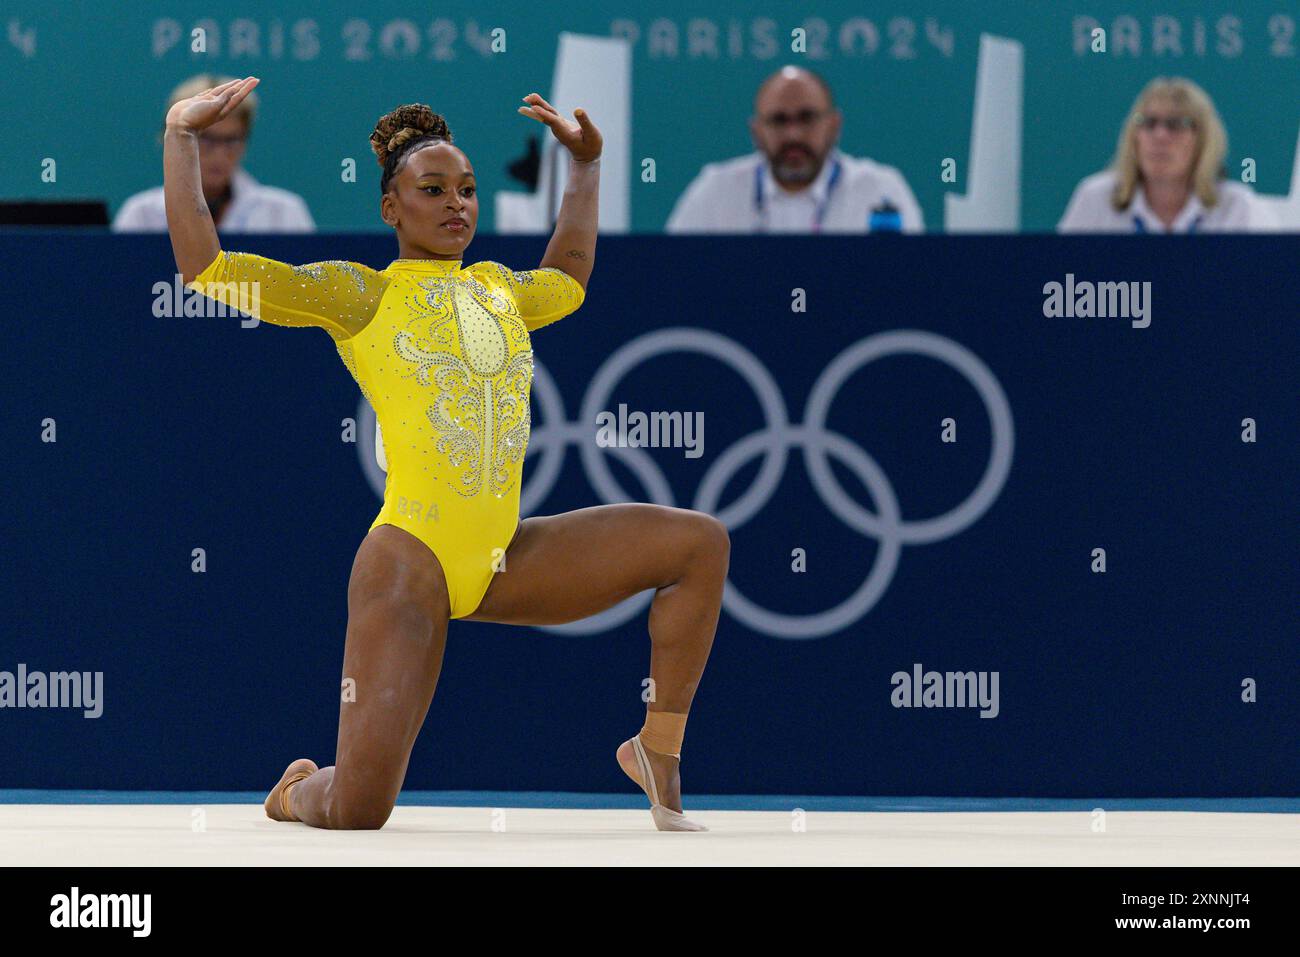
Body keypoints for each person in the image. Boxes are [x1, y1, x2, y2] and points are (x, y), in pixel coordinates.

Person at [166, 78, 728, 831]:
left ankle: (656, 748)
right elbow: (208, 267)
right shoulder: (359, 295)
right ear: (392, 208)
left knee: (698, 543)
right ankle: (298, 787)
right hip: (409, 562)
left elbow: (568, 275)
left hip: (506, 556)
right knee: (358, 809)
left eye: (467, 188)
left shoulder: (499, 288)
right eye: (432, 190)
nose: (456, 203)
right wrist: (180, 137)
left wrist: (586, 169)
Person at [666, 65, 923, 234]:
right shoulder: (716, 191)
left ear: (834, 125)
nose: (794, 134)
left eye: (807, 118)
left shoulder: (880, 191)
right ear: (756, 131)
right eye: (779, 120)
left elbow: (908, 283)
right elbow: (673, 277)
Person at [1058, 77, 1276, 233]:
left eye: (1176, 124)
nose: (1160, 136)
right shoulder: (1096, 198)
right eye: (1149, 123)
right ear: (1134, 136)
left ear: (1203, 139)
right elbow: (1060, 282)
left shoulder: (1236, 207)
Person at [116, 74, 314, 233]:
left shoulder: (286, 213)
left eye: (231, 140)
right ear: (173, 142)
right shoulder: (140, 214)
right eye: (206, 139)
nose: (219, 154)